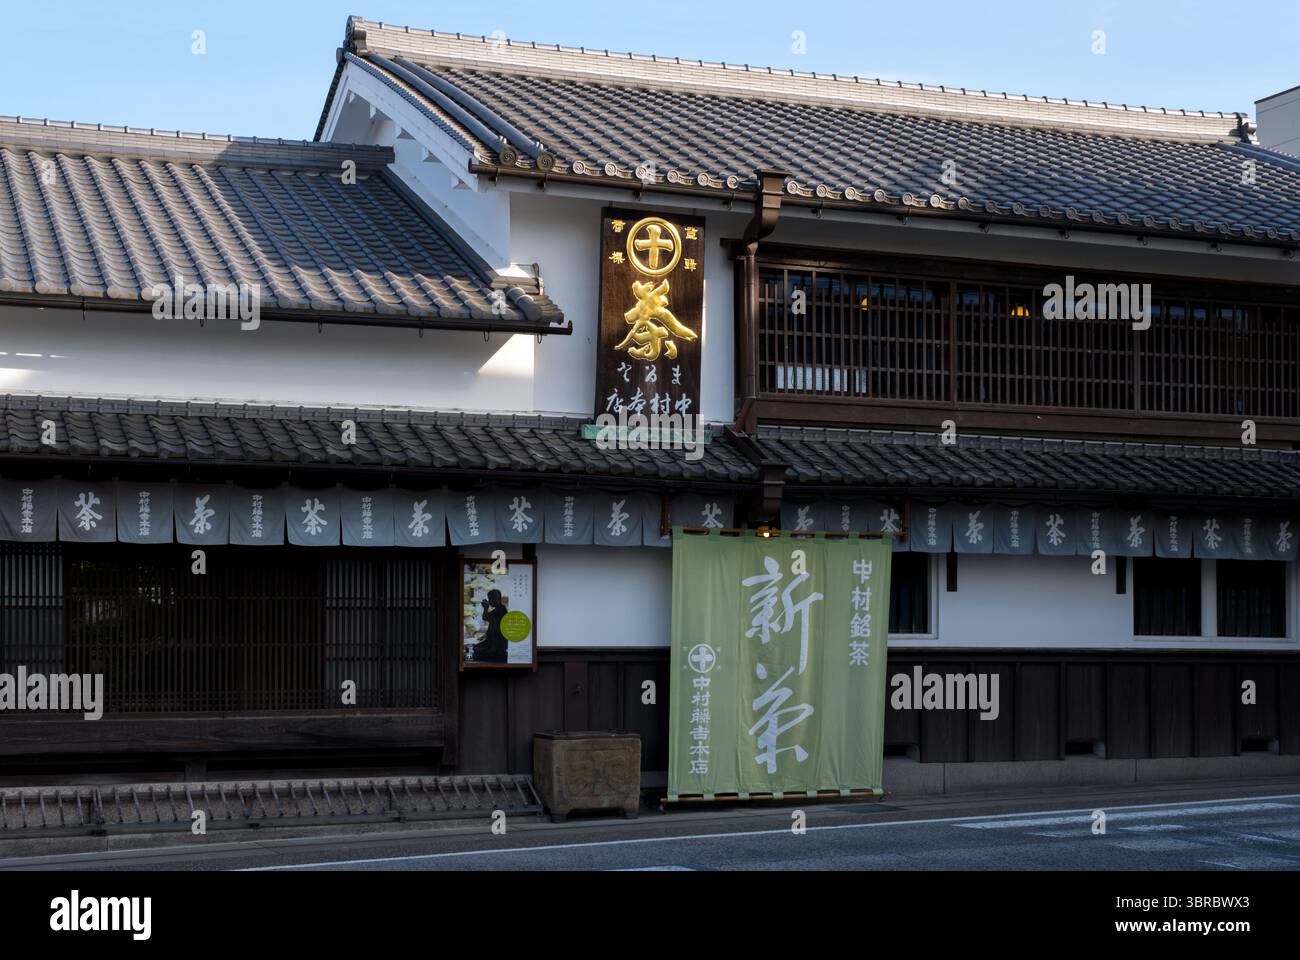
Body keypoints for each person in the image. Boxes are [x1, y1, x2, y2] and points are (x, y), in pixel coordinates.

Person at [473, 589, 509, 663]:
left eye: (490, 599)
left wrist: (486, 608)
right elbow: (485, 617)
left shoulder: (501, 610)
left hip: (497, 644)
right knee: (475, 648)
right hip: (492, 641)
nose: (489, 601)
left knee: (477, 651)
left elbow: (486, 617)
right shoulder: (498, 609)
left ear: (496, 599)